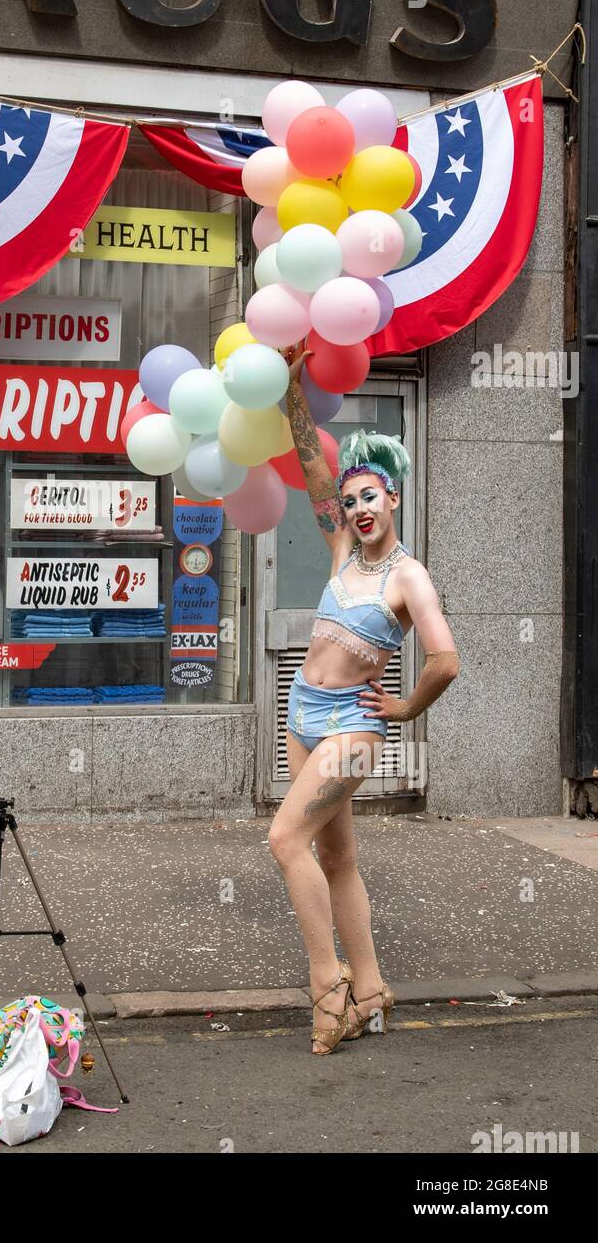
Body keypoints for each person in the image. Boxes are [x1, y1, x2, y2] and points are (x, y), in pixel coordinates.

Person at [270, 346, 460, 1054]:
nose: (355, 508)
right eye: (350, 501)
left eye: (368, 497)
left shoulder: (411, 580)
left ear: (394, 498)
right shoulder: (340, 552)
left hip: (354, 725)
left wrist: (405, 711)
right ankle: (374, 986)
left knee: (286, 839)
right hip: (301, 713)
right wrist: (293, 389)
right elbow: (310, 465)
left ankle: (330, 991)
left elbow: (446, 660)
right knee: (336, 857)